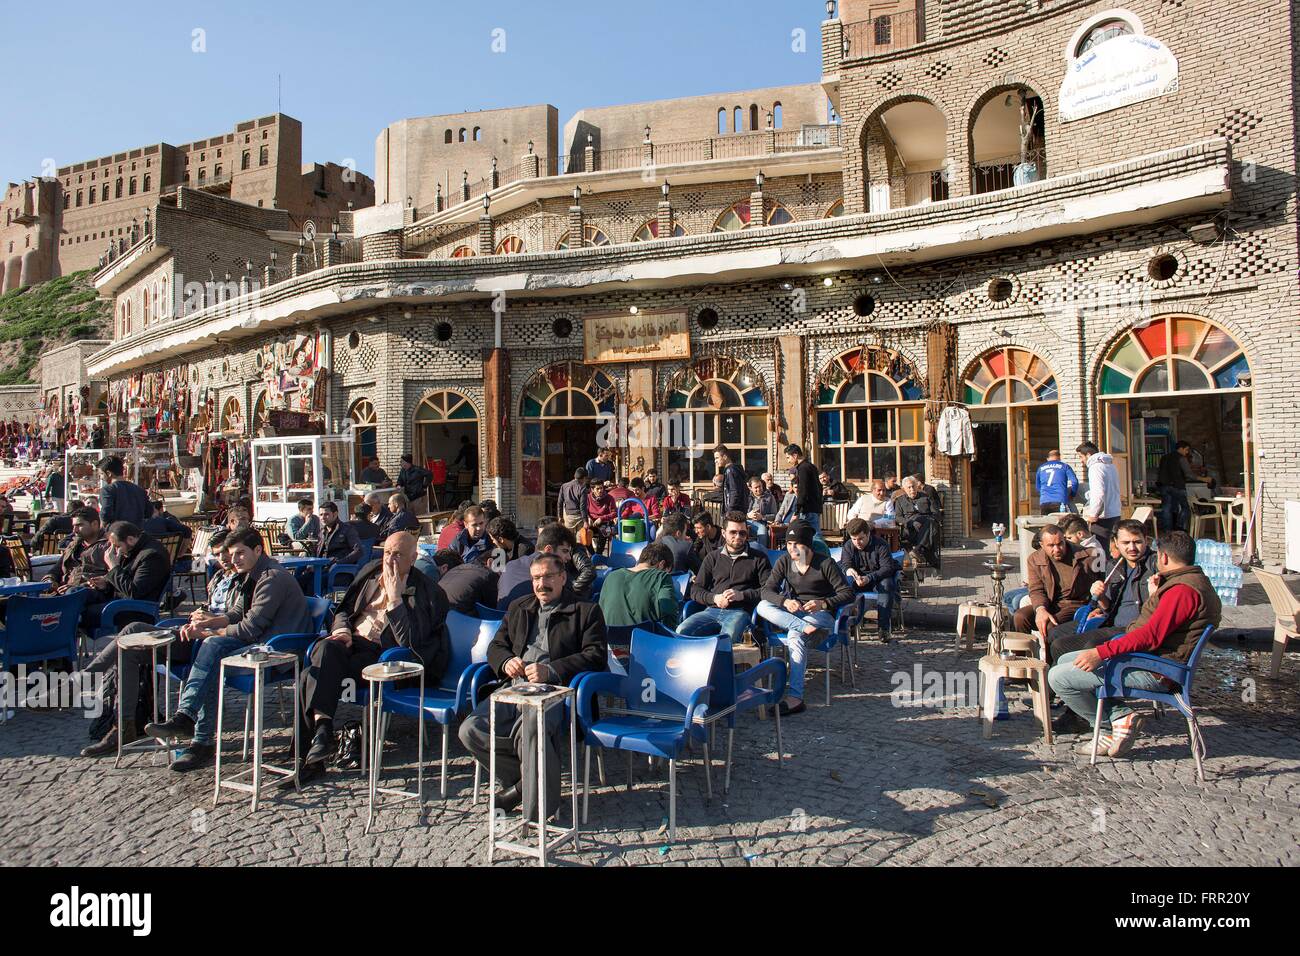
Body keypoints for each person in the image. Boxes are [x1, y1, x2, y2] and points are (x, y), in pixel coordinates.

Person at [140, 528, 312, 771]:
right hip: (260, 642)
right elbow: (235, 615)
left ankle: (197, 735)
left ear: (258, 550)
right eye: (232, 554)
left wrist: (209, 633)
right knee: (208, 648)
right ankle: (190, 725)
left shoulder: (271, 577)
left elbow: (250, 628)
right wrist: (208, 622)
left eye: (240, 553)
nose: (234, 559)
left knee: (211, 650)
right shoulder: (252, 574)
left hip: (279, 650)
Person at [1048, 530, 1222, 756]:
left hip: (1158, 669)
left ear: (1164, 557)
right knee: (1065, 658)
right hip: (1152, 659)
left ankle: (1115, 720)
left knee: (1058, 677)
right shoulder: (1189, 582)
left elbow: (1150, 636)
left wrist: (1101, 652)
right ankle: (1113, 726)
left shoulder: (1182, 591)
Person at [459, 553, 607, 817]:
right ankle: (529, 782)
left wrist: (551, 670)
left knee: (531, 725)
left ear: (563, 577)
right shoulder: (519, 607)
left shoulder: (586, 611)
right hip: (514, 687)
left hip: (559, 692)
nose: (542, 584)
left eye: (548, 577)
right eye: (536, 578)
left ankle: (534, 803)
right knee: (470, 729)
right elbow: (496, 646)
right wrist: (505, 662)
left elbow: (596, 655)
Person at [299, 531, 450, 772]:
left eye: (398, 555)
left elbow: (410, 644)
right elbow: (342, 610)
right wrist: (342, 630)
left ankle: (312, 750)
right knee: (325, 648)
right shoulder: (370, 572)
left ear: (413, 558)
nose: (390, 560)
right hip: (351, 643)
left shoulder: (429, 592)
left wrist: (395, 600)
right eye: (387, 553)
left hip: (385, 657)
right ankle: (322, 734)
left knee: (310, 674)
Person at [756, 520, 853, 715]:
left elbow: (847, 593)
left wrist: (823, 603)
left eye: (796, 544)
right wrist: (784, 602)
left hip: (820, 615)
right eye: (789, 544)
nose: (791, 549)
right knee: (761, 606)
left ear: (807, 545)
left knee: (794, 635)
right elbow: (766, 591)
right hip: (795, 613)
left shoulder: (825, 563)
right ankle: (805, 629)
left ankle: (795, 698)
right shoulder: (785, 561)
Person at [679, 511, 771, 643]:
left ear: (747, 533)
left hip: (741, 612)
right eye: (733, 532)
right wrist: (714, 598)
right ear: (724, 533)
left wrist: (742, 595)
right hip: (711, 610)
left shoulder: (759, 558)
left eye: (742, 533)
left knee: (726, 639)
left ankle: (722, 663)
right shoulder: (713, 557)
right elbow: (696, 590)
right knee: (682, 632)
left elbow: (768, 590)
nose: (738, 536)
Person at [80, 521, 173, 635]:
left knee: (77, 614)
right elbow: (126, 579)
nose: (115, 551)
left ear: (130, 539)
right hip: (119, 601)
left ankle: (65, 645)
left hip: (134, 609)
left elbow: (134, 591)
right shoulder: (134, 549)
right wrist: (106, 584)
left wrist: (113, 567)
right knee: (76, 597)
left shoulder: (152, 555)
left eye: (117, 546)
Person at [1011, 523, 1100, 639]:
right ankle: (1023, 655)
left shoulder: (1087, 555)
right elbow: (1036, 589)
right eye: (1051, 545)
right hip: (1050, 602)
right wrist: (1040, 609)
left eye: (1060, 544)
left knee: (1049, 625)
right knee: (1020, 617)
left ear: (1064, 539)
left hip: (1074, 604)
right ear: (1042, 545)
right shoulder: (1034, 559)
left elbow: (1101, 584)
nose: (1057, 549)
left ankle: (1049, 657)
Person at [497, 522, 595, 608]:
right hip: (531, 624)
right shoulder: (554, 575)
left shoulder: (509, 566)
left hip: (494, 622)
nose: (568, 557)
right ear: (548, 550)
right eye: (564, 551)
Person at [838, 518, 899, 641]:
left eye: (861, 538)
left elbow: (887, 568)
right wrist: (849, 570)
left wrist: (869, 577)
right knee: (845, 584)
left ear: (868, 534)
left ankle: (883, 629)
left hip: (878, 579)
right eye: (854, 539)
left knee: (887, 585)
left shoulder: (881, 544)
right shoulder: (849, 545)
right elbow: (844, 563)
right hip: (858, 579)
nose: (857, 542)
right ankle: (847, 624)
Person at [597, 541, 679, 629]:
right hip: (644, 640)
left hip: (608, 639)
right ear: (662, 564)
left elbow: (600, 612)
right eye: (668, 571)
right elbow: (669, 615)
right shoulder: (661, 577)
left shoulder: (611, 576)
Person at [50, 507, 108, 591]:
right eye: (74, 526)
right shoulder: (74, 545)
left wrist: (78, 587)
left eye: (79, 525)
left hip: (90, 593)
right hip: (64, 590)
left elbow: (111, 576)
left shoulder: (107, 546)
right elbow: (57, 569)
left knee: (71, 592)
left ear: (94, 524)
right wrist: (50, 580)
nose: (74, 530)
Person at [1078, 441, 1122, 551]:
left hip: (1103, 516)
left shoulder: (1095, 468)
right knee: (1113, 548)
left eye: (1081, 457)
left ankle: (1103, 568)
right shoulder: (1110, 465)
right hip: (1115, 512)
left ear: (1088, 454)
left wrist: (1093, 514)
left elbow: (1099, 492)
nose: (1081, 460)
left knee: (1100, 550)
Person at [436, 546, 500, 614]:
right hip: (456, 618)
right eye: (501, 572)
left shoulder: (458, 568)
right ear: (490, 563)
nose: (501, 576)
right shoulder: (488, 575)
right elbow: (494, 608)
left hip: (435, 612)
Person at [896, 476, 941, 570]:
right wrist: (911, 523)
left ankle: (918, 549)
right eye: (909, 487)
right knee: (931, 531)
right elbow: (898, 517)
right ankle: (932, 561)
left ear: (917, 486)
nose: (912, 489)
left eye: (913, 486)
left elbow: (936, 513)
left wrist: (928, 521)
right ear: (904, 488)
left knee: (930, 523)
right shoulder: (899, 500)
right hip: (911, 529)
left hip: (927, 524)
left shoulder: (927, 497)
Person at [97, 455, 151, 526]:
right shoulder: (139, 489)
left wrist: (101, 529)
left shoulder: (107, 490)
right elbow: (149, 512)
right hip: (136, 533)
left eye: (101, 474)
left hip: (116, 533)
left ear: (109, 473)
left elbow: (105, 514)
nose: (101, 478)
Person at [1157, 440, 1196, 533]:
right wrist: (1204, 479)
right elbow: (1189, 474)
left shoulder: (1164, 457)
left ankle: (1167, 530)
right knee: (1185, 507)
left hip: (1164, 486)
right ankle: (1179, 527)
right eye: (1186, 450)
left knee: (1167, 508)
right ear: (1181, 448)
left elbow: (1160, 472)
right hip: (1177, 486)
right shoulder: (1181, 458)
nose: (1187, 452)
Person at [784, 444, 823, 534]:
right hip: (814, 507)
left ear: (795, 455)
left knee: (809, 536)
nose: (788, 461)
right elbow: (819, 487)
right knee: (814, 536)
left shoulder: (803, 468)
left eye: (788, 457)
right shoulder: (811, 466)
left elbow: (803, 491)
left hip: (807, 509)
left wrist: (797, 512)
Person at [316, 501, 364, 566]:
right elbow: (317, 552)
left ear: (335, 514)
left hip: (336, 569)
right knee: (299, 572)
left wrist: (338, 563)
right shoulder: (322, 532)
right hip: (320, 566)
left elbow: (358, 551)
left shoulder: (347, 529)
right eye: (321, 515)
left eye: (326, 514)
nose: (323, 518)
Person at [1036, 449, 1079, 515]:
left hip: (1044, 502)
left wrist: (1045, 495)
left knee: (1047, 524)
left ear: (1047, 458)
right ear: (1059, 457)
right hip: (1060, 500)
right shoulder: (1065, 466)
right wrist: (1072, 494)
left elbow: (1038, 487)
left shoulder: (1040, 468)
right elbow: (1074, 482)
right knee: (1061, 523)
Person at [714, 446, 750, 515]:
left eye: (717, 458)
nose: (715, 461)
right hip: (739, 511)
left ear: (724, 456)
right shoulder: (734, 469)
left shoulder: (730, 470)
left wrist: (729, 511)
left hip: (734, 513)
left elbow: (734, 492)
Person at [745, 475, 778, 547]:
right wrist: (748, 515)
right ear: (750, 488)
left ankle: (762, 553)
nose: (759, 489)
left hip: (764, 523)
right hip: (748, 523)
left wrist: (762, 517)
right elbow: (739, 514)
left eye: (760, 486)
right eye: (756, 488)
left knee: (763, 529)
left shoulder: (769, 497)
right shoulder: (746, 497)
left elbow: (775, 515)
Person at [586, 481, 617, 553]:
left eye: (601, 488)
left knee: (603, 531)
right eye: (598, 489)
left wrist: (601, 518)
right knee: (584, 533)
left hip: (604, 522)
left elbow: (614, 513)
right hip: (592, 522)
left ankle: (598, 554)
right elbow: (584, 510)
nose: (600, 490)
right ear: (592, 489)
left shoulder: (609, 498)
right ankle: (593, 555)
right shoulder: (587, 498)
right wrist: (588, 517)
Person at [556, 468, 590, 532]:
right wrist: (585, 521)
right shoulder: (583, 488)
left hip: (568, 517)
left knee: (569, 540)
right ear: (584, 478)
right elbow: (583, 506)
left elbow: (559, 503)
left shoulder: (564, 486)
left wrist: (560, 517)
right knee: (580, 540)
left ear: (574, 476)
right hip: (580, 518)